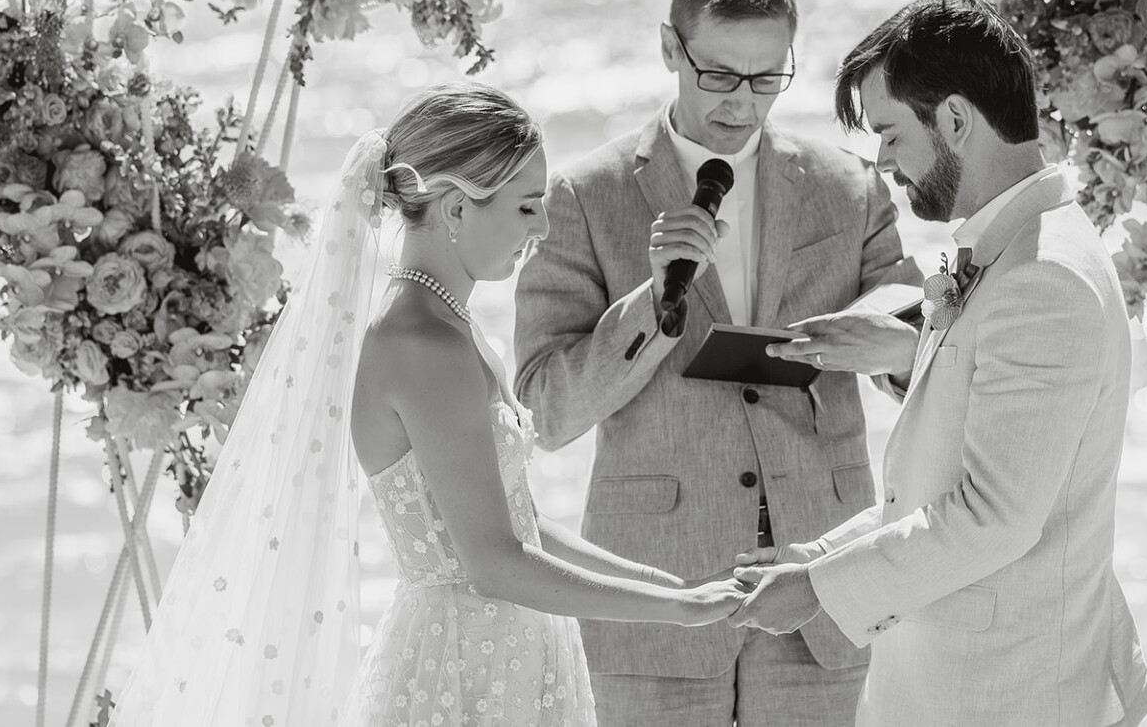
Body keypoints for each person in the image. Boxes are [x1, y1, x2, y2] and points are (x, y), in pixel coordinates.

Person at [109, 81, 749, 727]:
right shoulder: (421, 344)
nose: (544, 228)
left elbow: (515, 520)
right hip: (467, 668)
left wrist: (662, 583)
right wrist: (676, 612)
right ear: (454, 208)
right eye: (528, 208)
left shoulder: (452, 326)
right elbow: (495, 563)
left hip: (507, 653)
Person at [513, 0, 922, 727]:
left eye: (768, 77)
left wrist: (896, 348)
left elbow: (912, 320)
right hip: (655, 593)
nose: (744, 101)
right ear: (671, 47)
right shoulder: (583, 197)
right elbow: (545, 412)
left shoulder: (848, 187)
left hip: (821, 592)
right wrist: (649, 303)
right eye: (721, 75)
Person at [729, 0, 1147, 727]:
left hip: (1012, 694)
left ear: (956, 118)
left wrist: (822, 588)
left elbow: (993, 516)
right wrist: (816, 557)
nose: (883, 159)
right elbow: (936, 489)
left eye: (892, 132)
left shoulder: (1041, 278)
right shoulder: (1014, 250)